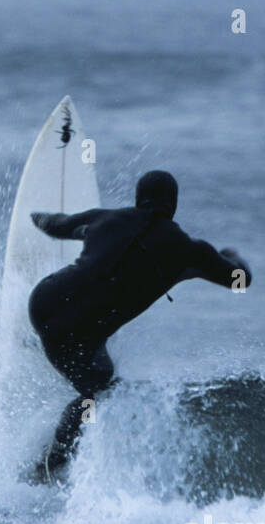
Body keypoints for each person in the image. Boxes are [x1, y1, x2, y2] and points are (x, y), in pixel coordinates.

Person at [26, 170, 251, 481]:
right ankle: (52, 463)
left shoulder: (105, 219)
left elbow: (56, 225)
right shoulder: (191, 251)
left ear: (137, 198)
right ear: (173, 204)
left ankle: (30, 339)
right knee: (97, 391)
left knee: (85, 345)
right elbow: (241, 282)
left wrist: (34, 216)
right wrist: (231, 257)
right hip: (74, 337)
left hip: (42, 303)